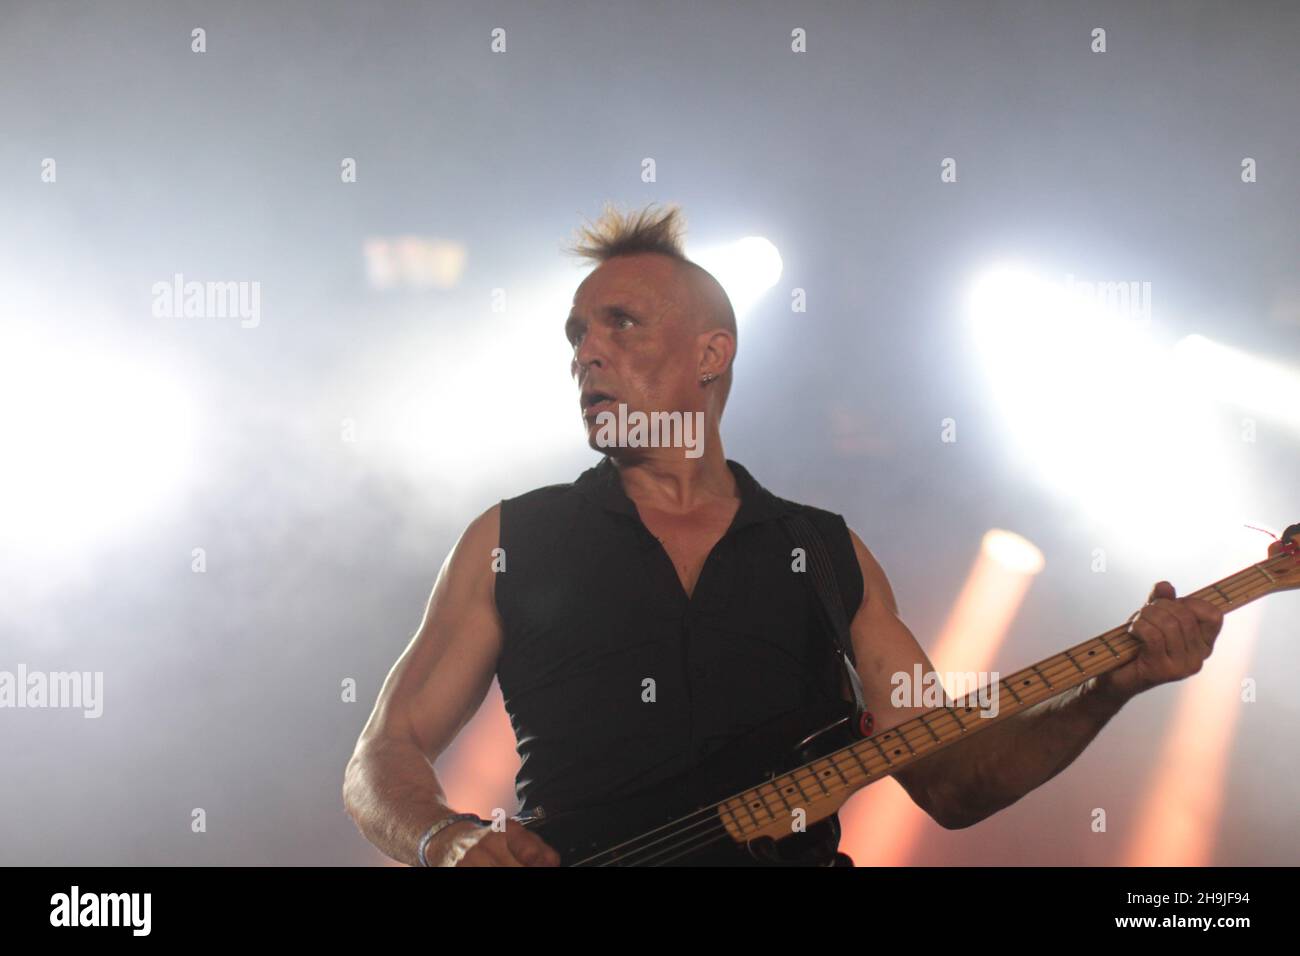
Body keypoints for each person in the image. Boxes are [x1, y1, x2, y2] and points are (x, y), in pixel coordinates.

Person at [342, 202, 1231, 866]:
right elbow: (381, 754)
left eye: (621, 323)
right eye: (576, 334)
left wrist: (1113, 687)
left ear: (710, 354)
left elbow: (957, 784)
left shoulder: (827, 554)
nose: (587, 353)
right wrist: (442, 839)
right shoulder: (512, 538)